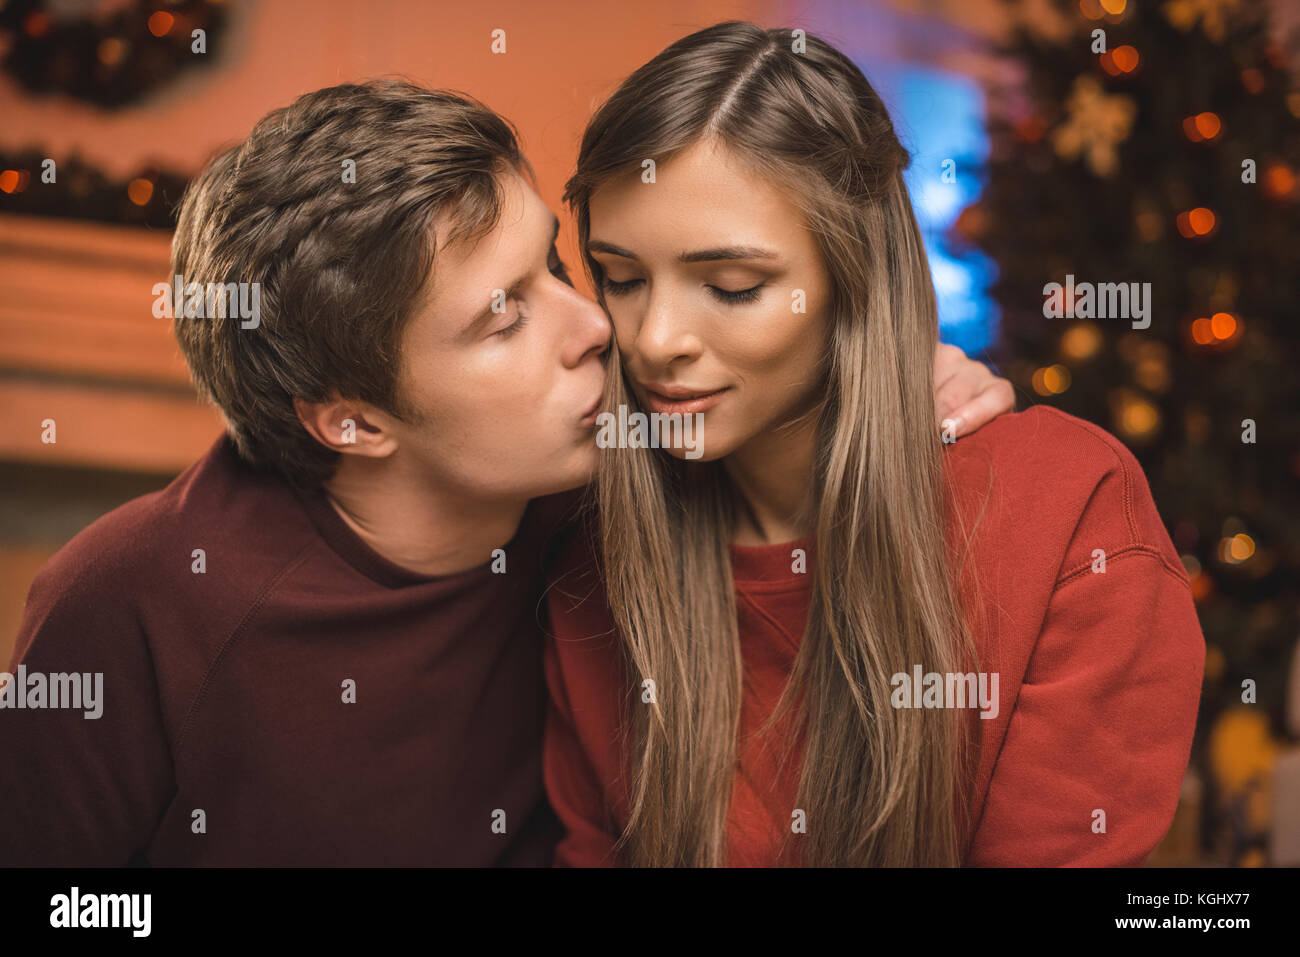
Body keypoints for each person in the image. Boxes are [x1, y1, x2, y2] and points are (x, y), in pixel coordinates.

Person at [0, 79, 1012, 866]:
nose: (594, 328)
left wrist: (901, 373)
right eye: (504, 315)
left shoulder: (637, 471)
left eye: (557, 268)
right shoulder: (133, 599)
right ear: (353, 421)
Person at [542, 22, 1206, 867]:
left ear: (855, 276)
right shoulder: (583, 546)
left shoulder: (1072, 518)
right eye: (623, 278)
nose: (656, 338)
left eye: (732, 286)